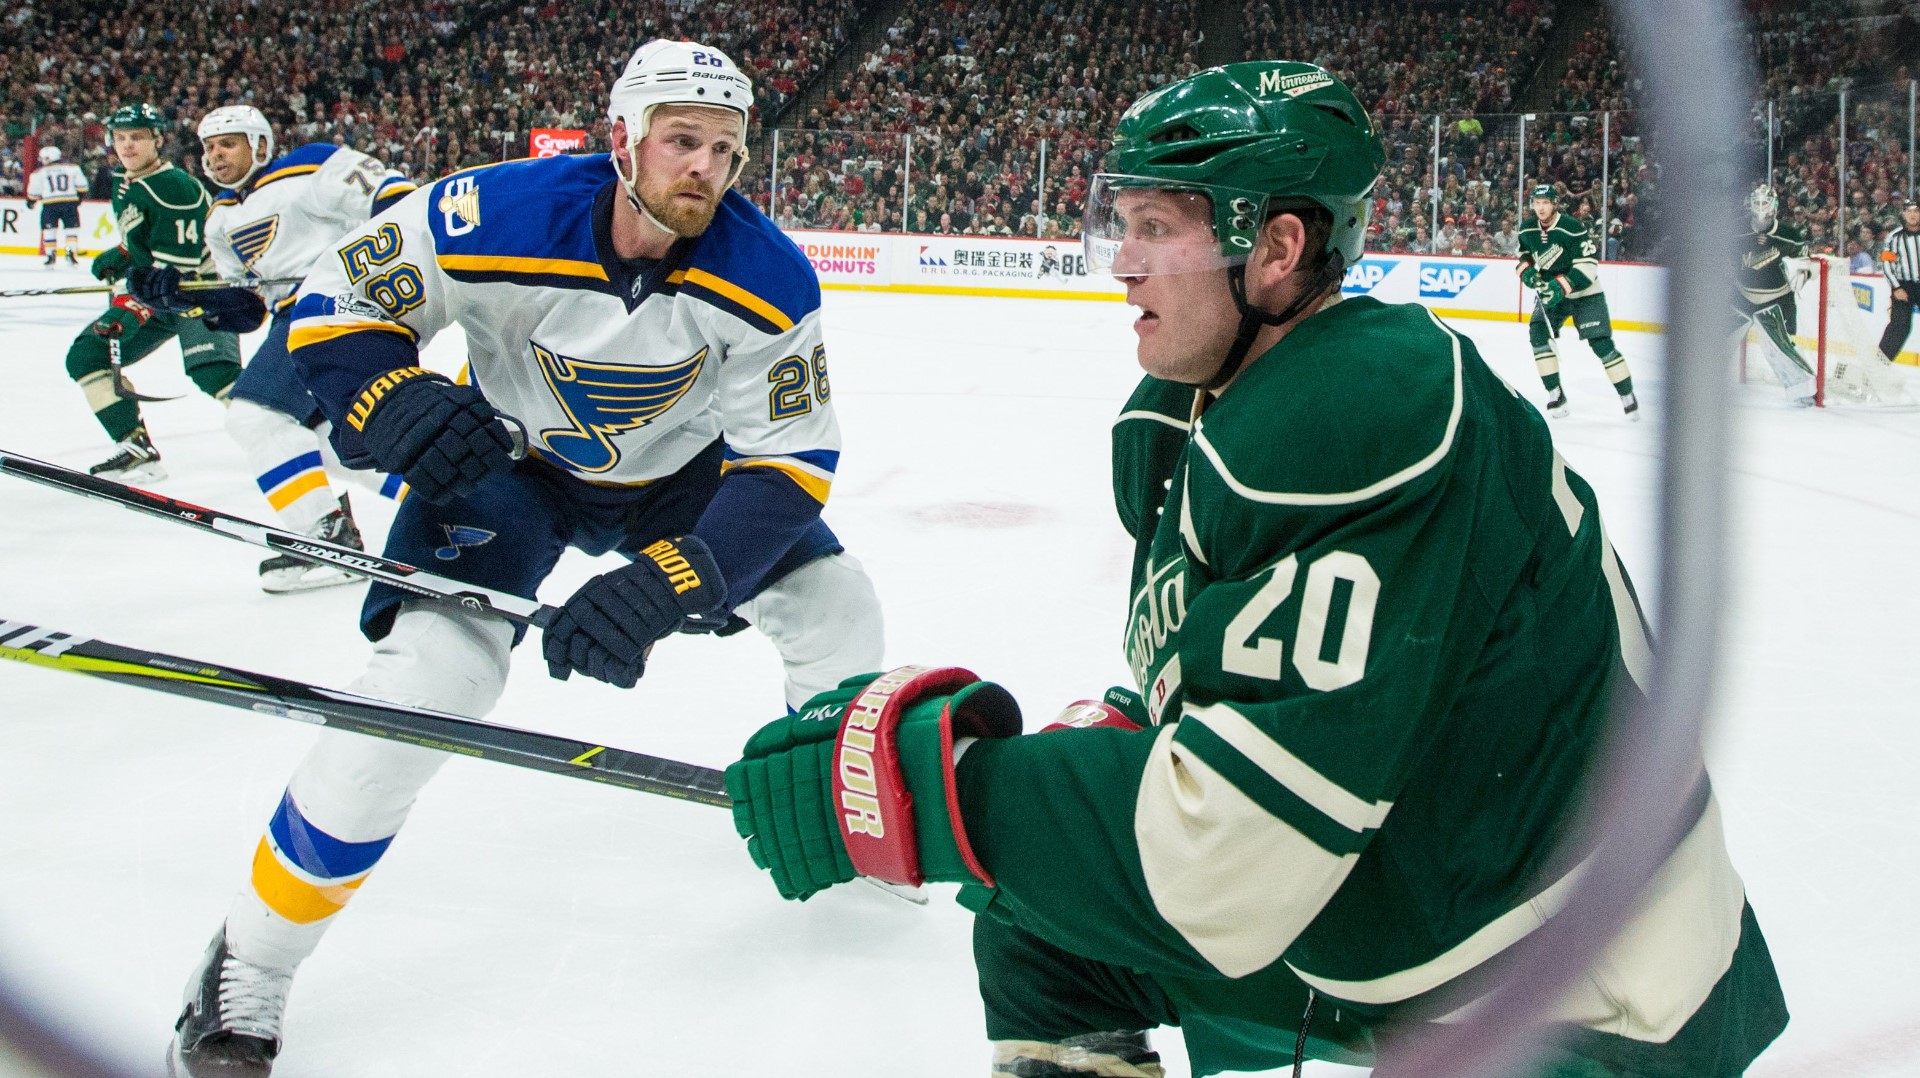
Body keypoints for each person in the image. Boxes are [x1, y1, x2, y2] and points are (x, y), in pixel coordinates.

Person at [725, 61, 1788, 1078]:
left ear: (1277, 248)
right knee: (1042, 929)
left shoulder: (1368, 412)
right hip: (1421, 897)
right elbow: (1294, 685)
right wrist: (1135, 737)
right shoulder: (1210, 412)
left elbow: (1225, 860)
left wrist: (941, 787)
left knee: (1068, 869)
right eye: (1121, 222)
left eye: (1156, 227)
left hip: (1579, 993)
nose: (1122, 262)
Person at [165, 39, 885, 1077]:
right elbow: (334, 305)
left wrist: (675, 580)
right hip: (506, 466)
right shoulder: (486, 212)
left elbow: (790, 460)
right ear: (622, 137)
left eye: (726, 148)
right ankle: (251, 960)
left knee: (835, 607)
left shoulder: (769, 273)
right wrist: (388, 397)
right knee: (430, 684)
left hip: (678, 478)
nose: (706, 166)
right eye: (682, 139)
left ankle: (834, 811)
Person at [131, 105, 415, 592]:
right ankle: (444, 503)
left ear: (260, 146)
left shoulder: (311, 164)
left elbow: (398, 198)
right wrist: (179, 295)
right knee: (333, 438)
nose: (216, 155)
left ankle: (329, 540)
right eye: (209, 147)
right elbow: (248, 310)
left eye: (228, 144)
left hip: (342, 301)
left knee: (257, 418)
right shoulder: (220, 218)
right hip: (295, 317)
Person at [64, 103, 248, 480]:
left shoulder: (173, 187)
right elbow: (148, 240)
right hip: (163, 292)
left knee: (215, 373)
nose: (127, 146)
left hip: (201, 291)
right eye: (120, 138)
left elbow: (173, 274)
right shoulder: (126, 181)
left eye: (137, 137)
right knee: (87, 355)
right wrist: (124, 253)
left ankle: (291, 437)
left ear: (158, 140)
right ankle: (136, 448)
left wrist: (131, 310)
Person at [1519, 183, 1640, 419]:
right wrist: (1528, 273)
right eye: (1537, 203)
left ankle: (1627, 395)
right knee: (1537, 333)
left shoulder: (1572, 227)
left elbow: (1588, 266)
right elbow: (1524, 256)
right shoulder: (1527, 229)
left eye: (1545, 203)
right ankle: (1555, 394)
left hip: (1585, 293)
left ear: (1555, 204)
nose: (1541, 208)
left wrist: (1560, 286)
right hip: (1552, 294)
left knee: (1601, 344)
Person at [1732, 184, 1815, 406]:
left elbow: (1804, 261)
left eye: (1765, 202)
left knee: (1781, 348)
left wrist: (1802, 272)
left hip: (1776, 299)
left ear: (1775, 206)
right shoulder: (1737, 229)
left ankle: (1803, 391)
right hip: (1741, 297)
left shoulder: (1790, 234)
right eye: (1757, 202)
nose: (1761, 207)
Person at [25, 144, 88, 266]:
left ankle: (51, 255)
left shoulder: (38, 173)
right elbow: (83, 187)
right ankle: (70, 252)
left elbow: (33, 193)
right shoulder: (73, 168)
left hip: (50, 204)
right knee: (71, 229)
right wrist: (78, 199)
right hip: (69, 203)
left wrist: (31, 202)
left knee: (49, 230)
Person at [1879, 198, 1920, 365]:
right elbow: (1886, 264)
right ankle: (1880, 364)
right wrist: (1896, 288)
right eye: (1909, 211)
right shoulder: (1894, 237)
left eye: (1916, 211)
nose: (1912, 215)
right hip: (1903, 286)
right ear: (1903, 214)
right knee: (1899, 327)